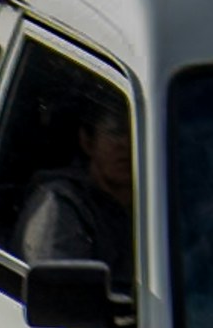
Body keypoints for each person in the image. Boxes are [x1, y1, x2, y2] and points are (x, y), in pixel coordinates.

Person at [16, 92, 136, 291]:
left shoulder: (168, 204)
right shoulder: (59, 207)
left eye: (136, 134)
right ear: (88, 141)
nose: (126, 143)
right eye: (116, 132)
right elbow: (60, 299)